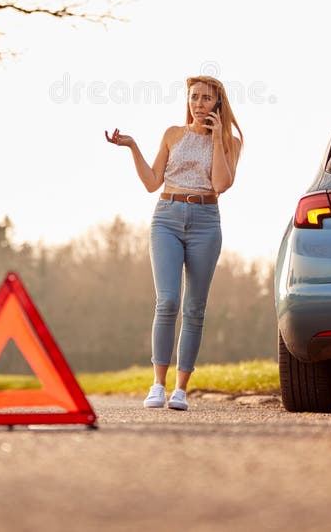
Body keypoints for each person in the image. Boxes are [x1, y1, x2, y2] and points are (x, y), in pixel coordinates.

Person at [105, 75, 243, 411]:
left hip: (206, 221)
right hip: (166, 217)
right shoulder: (172, 134)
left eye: (206, 99)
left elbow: (221, 184)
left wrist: (214, 140)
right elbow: (152, 182)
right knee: (167, 302)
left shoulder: (230, 142)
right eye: (194, 98)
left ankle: (180, 390)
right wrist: (133, 146)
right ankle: (157, 385)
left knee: (194, 308)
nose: (198, 105)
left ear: (218, 104)